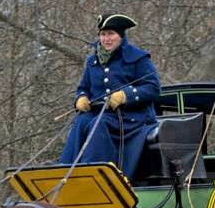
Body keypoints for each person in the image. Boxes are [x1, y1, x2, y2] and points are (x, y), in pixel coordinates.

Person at [59, 13, 161, 179]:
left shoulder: (138, 58)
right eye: (103, 34)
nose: (106, 39)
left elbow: (153, 88)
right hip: (100, 115)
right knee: (81, 121)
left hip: (132, 118)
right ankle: (65, 171)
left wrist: (125, 96)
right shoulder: (92, 61)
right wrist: (81, 98)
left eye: (111, 34)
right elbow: (83, 87)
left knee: (99, 123)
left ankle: (95, 175)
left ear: (121, 36)